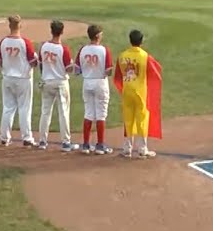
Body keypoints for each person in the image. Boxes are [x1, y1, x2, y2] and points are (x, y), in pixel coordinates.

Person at [113, 29, 162, 158]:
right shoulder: (145, 56)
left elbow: (117, 76)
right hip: (141, 92)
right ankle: (142, 149)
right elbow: (155, 71)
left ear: (130, 40)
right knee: (142, 120)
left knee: (128, 119)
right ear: (141, 41)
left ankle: (127, 148)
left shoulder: (122, 56)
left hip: (127, 91)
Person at [0, 15, 37, 146]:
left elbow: (0, 60)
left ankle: (4, 137)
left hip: (7, 78)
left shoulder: (3, 42)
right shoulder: (25, 42)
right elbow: (33, 62)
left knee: (8, 108)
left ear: (10, 26)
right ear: (20, 25)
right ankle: (27, 138)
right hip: (23, 79)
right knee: (24, 108)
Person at [75, 24, 113, 154]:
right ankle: (100, 145)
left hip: (87, 82)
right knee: (101, 114)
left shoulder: (82, 50)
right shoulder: (104, 50)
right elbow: (108, 71)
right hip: (100, 82)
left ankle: (85, 145)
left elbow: (76, 69)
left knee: (88, 113)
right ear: (97, 36)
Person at [38, 19, 75, 151]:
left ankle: (42, 141)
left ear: (51, 30)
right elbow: (69, 68)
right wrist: (73, 65)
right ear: (62, 32)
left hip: (47, 82)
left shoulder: (43, 46)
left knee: (45, 112)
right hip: (60, 83)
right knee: (64, 112)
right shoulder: (63, 49)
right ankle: (66, 142)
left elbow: (41, 64)